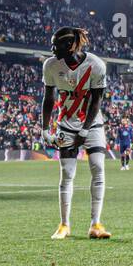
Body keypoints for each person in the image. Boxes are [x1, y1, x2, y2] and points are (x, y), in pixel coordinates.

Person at [41, 27, 110, 239]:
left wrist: (86, 128)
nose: (52, 49)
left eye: (57, 44)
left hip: (92, 124)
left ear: (70, 46)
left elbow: (97, 100)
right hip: (66, 125)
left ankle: (95, 224)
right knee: (67, 174)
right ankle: (64, 225)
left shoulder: (96, 64)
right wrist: (45, 128)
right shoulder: (51, 65)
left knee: (98, 168)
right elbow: (49, 97)